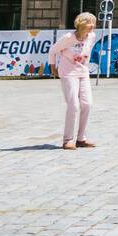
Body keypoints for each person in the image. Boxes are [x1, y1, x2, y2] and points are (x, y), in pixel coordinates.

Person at [51, 12, 97, 150]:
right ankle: (68, 140)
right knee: (73, 105)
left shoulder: (91, 36)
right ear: (81, 24)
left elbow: (86, 52)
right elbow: (52, 51)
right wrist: (53, 67)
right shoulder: (68, 38)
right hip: (68, 73)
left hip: (83, 72)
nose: (92, 25)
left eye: (93, 22)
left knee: (87, 104)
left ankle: (81, 138)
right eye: (89, 22)